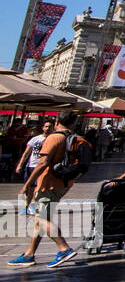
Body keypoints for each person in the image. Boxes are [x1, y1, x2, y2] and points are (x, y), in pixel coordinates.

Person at [9, 112, 84, 268]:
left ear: (57, 121)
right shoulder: (74, 137)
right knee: (40, 219)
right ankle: (29, 254)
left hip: (48, 183)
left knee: (42, 220)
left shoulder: (54, 138)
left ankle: (64, 248)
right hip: (64, 183)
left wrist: (28, 183)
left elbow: (43, 163)